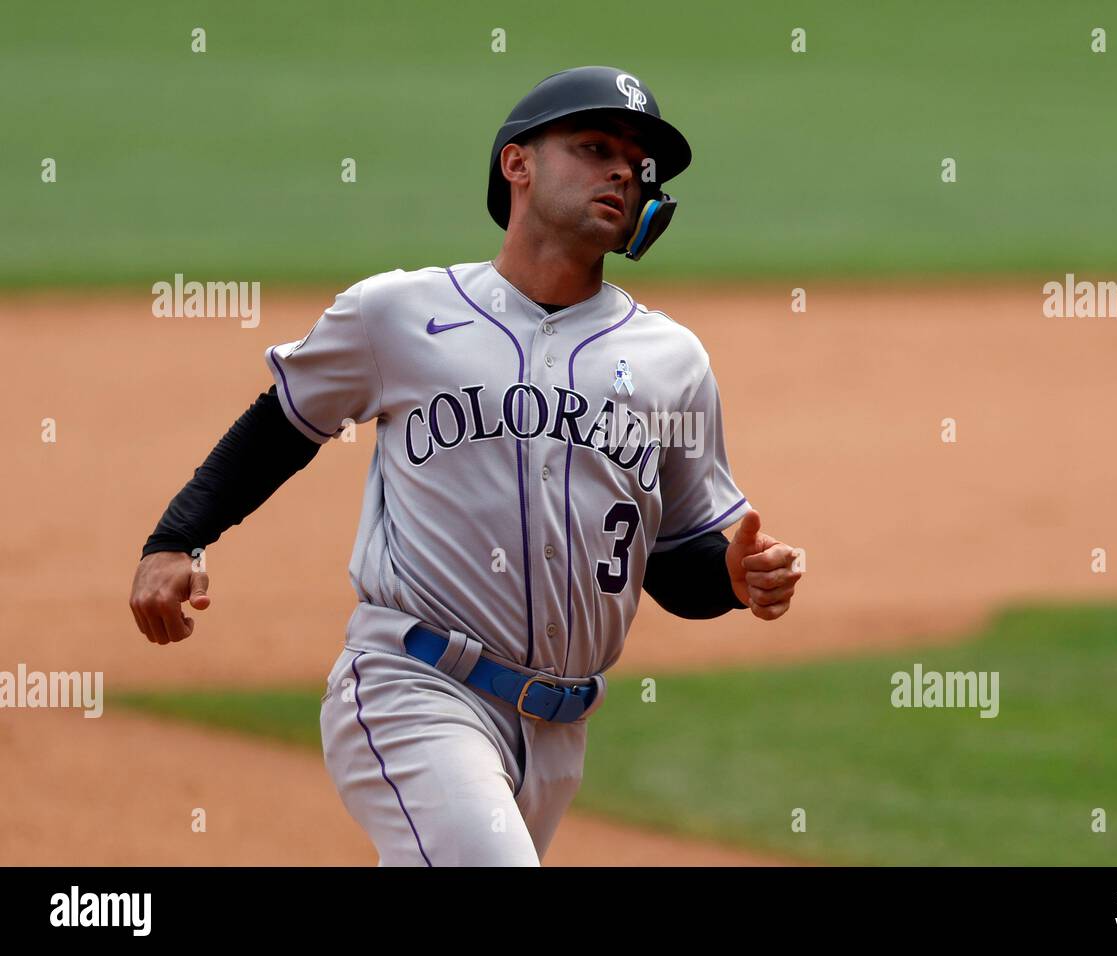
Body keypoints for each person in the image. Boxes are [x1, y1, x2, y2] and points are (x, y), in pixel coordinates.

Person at [129, 66, 803, 866]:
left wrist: (732, 576)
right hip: (412, 689)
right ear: (516, 164)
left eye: (635, 161)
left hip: (557, 736)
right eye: (594, 148)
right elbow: (283, 422)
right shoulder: (400, 314)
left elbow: (669, 559)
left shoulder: (674, 362)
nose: (623, 170)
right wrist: (177, 538)